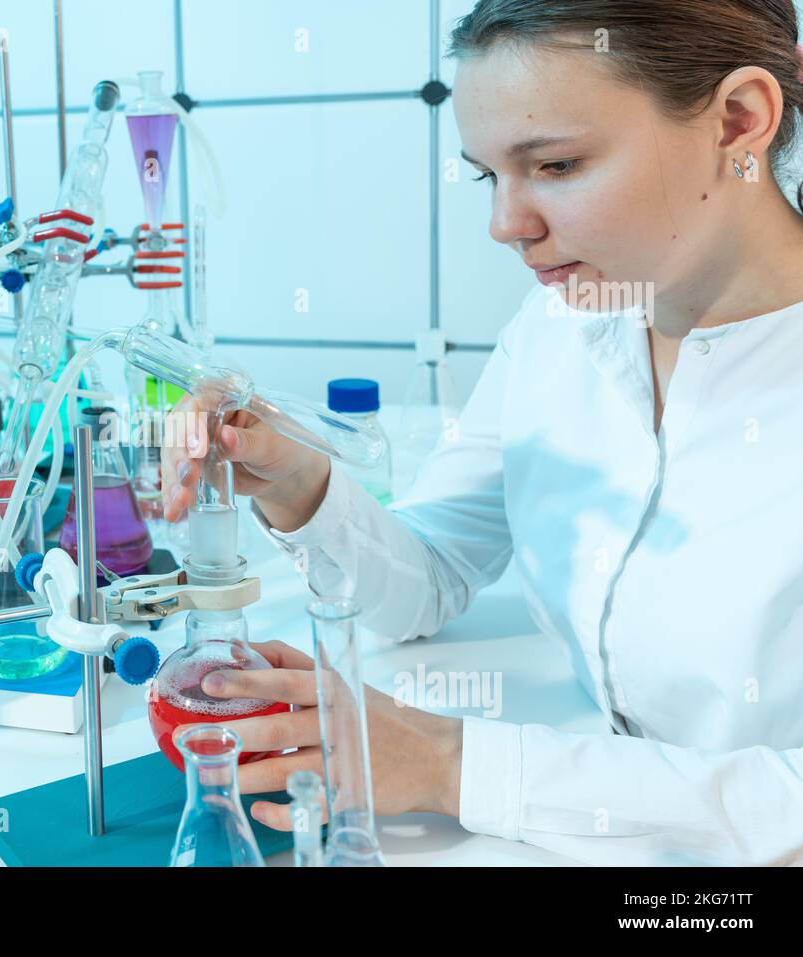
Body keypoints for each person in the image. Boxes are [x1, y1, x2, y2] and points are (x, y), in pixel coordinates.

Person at [161, 0, 803, 866]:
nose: (507, 226)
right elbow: (428, 577)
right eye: (487, 177)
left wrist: (454, 762)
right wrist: (297, 484)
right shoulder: (566, 327)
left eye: (558, 164)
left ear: (739, 121)